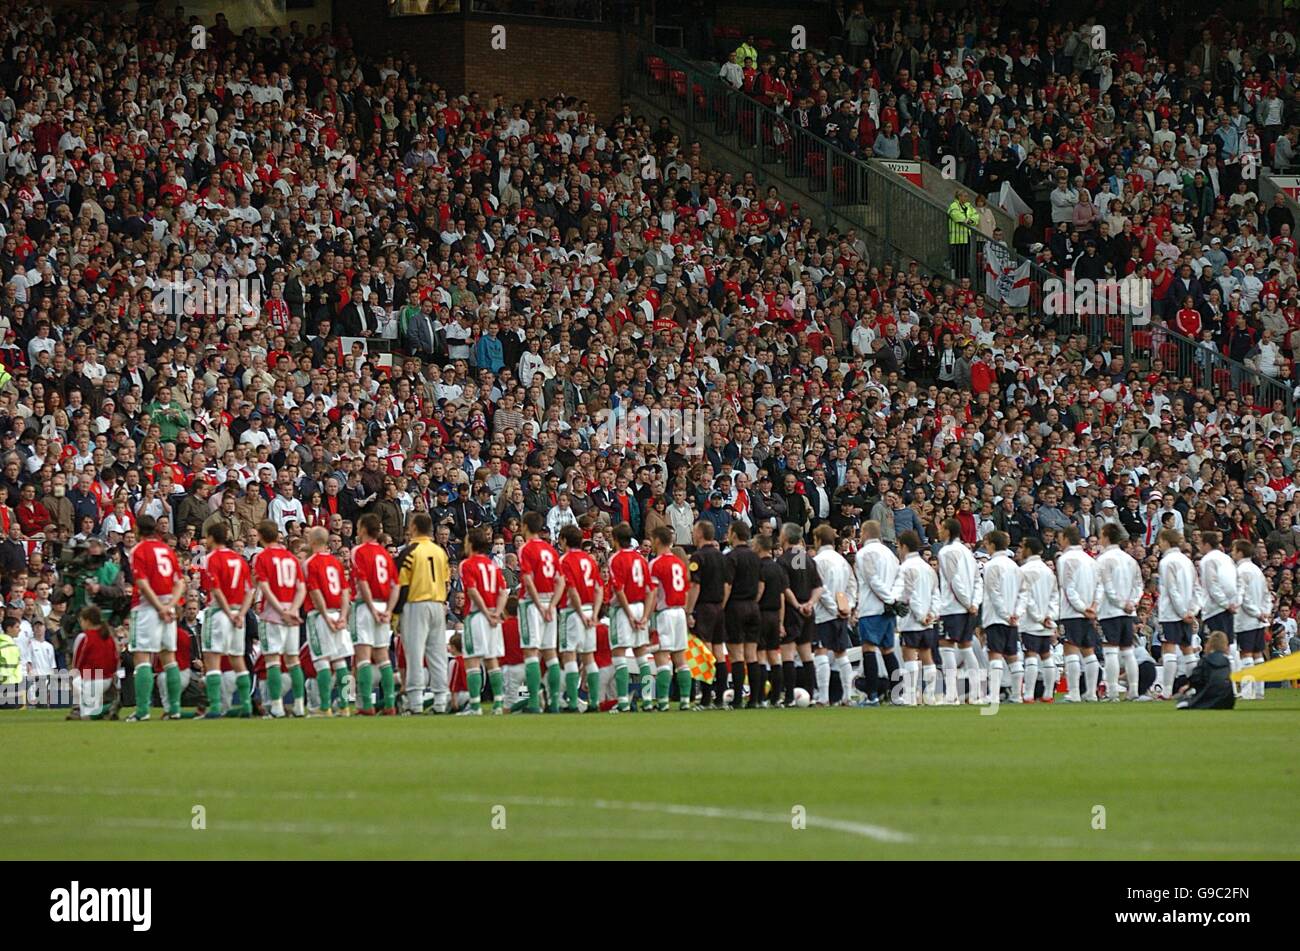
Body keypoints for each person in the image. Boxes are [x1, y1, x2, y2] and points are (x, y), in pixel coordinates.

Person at [126, 514, 186, 722]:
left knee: (142, 657)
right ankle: (175, 708)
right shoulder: (167, 550)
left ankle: (143, 711)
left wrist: (160, 607)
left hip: (147, 608)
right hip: (168, 606)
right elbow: (180, 582)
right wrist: (170, 606)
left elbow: (142, 583)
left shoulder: (138, 550)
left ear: (137, 529)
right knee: (168, 657)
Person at [395, 512, 451, 714]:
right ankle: (440, 701)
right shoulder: (440, 552)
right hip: (438, 603)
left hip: (416, 603)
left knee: (415, 654)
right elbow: (446, 580)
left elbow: (401, 585)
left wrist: (395, 614)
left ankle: (416, 702)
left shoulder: (410, 552)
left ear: (415, 528)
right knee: (437, 655)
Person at [253, 520, 308, 718]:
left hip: (273, 615)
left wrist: (280, 611)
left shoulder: (262, 557)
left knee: (273, 661)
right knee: (293, 661)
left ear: (260, 536)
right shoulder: (291, 558)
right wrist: (292, 609)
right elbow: (302, 588)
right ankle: (300, 705)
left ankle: (276, 706)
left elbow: (265, 587)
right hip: (292, 614)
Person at [200, 522, 255, 719]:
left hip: (219, 613)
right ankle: (246, 705)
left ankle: (215, 707)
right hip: (238, 613)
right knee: (237, 659)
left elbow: (215, 589)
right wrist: (240, 613)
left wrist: (229, 613)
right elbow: (250, 590)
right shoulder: (239, 559)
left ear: (212, 538)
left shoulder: (210, 559)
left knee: (212, 659)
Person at [351, 513, 400, 716]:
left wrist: (371, 608)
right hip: (384, 606)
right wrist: (388, 610)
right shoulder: (384, 554)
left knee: (362, 656)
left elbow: (362, 582)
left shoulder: (358, 551)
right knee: (382, 656)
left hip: (365, 606)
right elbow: (395, 585)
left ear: (362, 529)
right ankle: (389, 703)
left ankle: (365, 705)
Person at [458, 527, 509, 716]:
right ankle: (497, 703)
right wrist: (496, 613)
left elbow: (472, 591)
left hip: (477, 616)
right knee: (491, 659)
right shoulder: (492, 566)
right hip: (493, 617)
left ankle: (475, 705)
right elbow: (503, 592)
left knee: (472, 660)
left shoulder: (466, 564)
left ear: (470, 543)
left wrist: (487, 614)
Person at [517, 511, 564, 713]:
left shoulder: (525, 548)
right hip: (550, 603)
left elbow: (527, 580)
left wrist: (539, 605)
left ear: (525, 526)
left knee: (531, 651)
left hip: (532, 603)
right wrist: (552, 605)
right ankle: (554, 702)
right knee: (551, 653)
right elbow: (560, 580)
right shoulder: (551, 550)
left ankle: (534, 702)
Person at [305, 525, 353, 717]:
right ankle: (344, 705)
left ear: (313, 541)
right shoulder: (335, 562)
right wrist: (343, 616)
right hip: (338, 614)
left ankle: (325, 707)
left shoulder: (311, 563)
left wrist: (325, 617)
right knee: (340, 661)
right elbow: (344, 591)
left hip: (320, 616)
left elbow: (315, 592)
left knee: (322, 661)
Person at [607, 522, 655, 713]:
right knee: (642, 655)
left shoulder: (615, 559)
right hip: (641, 607)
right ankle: (648, 700)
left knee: (619, 654)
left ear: (615, 539)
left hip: (624, 610)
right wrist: (644, 616)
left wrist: (629, 616)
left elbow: (618, 590)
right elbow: (650, 589)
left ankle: (623, 703)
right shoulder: (641, 559)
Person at [936, 516, 983, 704]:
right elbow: (978, 579)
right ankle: (975, 694)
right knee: (966, 647)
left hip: (952, 607)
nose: (938, 531)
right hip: (968, 607)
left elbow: (953, 581)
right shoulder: (966, 550)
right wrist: (975, 603)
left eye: (941, 528)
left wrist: (967, 603)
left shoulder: (946, 552)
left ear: (948, 531)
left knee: (946, 647)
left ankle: (951, 695)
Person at [890, 530, 940, 706]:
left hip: (913, 620)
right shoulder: (927, 567)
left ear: (903, 546)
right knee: (927, 656)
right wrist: (932, 614)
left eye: (898, 546)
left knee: (910, 656)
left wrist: (921, 616)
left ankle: (911, 696)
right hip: (928, 620)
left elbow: (910, 594)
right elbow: (935, 593)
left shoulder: (905, 567)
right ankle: (930, 695)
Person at [557, 523, 603, 713]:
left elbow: (572, 589)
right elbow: (599, 588)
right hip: (590, 610)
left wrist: (579, 613)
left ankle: (573, 702)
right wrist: (594, 613)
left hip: (572, 612)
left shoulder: (565, 560)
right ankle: (594, 701)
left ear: (564, 540)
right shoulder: (589, 560)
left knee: (569, 655)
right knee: (589, 656)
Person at [854, 520, 900, 706]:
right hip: (888, 609)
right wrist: (894, 600)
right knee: (888, 650)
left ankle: (872, 695)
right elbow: (899, 578)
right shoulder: (890, 554)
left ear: (864, 532)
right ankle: (898, 693)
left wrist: (888, 599)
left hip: (872, 607)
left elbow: (872, 580)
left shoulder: (864, 553)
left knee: (869, 648)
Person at [648, 527, 694, 712]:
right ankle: (684, 700)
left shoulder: (656, 564)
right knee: (680, 659)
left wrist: (647, 616)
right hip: (679, 613)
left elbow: (653, 593)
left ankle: (663, 702)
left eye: (652, 539)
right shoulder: (679, 563)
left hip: (664, 613)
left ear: (658, 540)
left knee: (662, 659)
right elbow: (686, 589)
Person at [1095, 523, 1143, 700]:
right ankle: (1134, 690)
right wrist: (1132, 603)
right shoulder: (1130, 559)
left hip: (1110, 611)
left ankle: (1113, 691)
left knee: (1111, 651)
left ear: (1106, 536)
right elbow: (1139, 585)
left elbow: (1106, 587)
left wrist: (1122, 604)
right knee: (1128, 651)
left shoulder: (1103, 560)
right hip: (1128, 612)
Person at [811, 524, 856, 706]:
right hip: (842, 613)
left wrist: (833, 609)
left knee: (821, 652)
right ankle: (847, 696)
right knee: (841, 654)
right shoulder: (842, 560)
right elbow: (852, 586)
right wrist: (848, 606)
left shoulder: (818, 560)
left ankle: (823, 697)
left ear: (818, 540)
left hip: (825, 614)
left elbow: (821, 589)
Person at [1055, 525, 1100, 702]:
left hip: (1072, 612)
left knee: (1071, 650)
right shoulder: (1090, 559)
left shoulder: (1065, 559)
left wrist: (1082, 608)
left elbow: (1068, 588)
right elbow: (1099, 586)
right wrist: (1093, 607)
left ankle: (1073, 693)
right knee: (1089, 651)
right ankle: (1092, 693)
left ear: (1065, 538)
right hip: (1089, 610)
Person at [687, 520, 728, 708]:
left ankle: (705, 698)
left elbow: (695, 585)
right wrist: (722, 604)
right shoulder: (721, 556)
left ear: (701, 534)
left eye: (695, 531)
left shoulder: (697, 557)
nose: (693, 534)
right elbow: (728, 585)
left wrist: (688, 611)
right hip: (719, 607)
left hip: (704, 607)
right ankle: (719, 697)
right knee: (719, 652)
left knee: (706, 652)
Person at [1155, 529, 1201, 701]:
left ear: (1166, 541)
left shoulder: (1166, 562)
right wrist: (1193, 610)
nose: (1159, 544)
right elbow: (1197, 587)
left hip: (1172, 612)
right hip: (1188, 611)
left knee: (1169, 649)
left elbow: (1172, 590)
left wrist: (1182, 612)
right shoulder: (1187, 561)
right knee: (1187, 650)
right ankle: (1193, 688)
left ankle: (1166, 691)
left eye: (1160, 541)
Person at [722, 520, 763, 708]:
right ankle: (754, 698)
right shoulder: (756, 557)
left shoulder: (731, 557)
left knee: (737, 654)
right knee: (752, 654)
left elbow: (727, 585)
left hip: (736, 607)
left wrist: (721, 607)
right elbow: (762, 584)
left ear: (734, 534)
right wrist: (754, 600)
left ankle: (738, 698)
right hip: (753, 607)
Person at [980, 531, 1022, 708]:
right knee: (1012, 655)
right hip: (1012, 617)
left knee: (995, 654)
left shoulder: (991, 565)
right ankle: (1017, 694)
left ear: (991, 544)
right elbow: (1022, 592)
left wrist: (1005, 614)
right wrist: (1016, 613)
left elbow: (993, 593)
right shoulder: (1014, 566)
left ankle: (995, 695)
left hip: (997, 616)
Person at [1017, 537, 1060, 703]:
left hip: (1031, 620)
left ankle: (1028, 694)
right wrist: (1050, 615)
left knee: (1031, 656)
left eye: (1023, 547)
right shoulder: (1048, 571)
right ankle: (1048, 694)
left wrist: (1039, 617)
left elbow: (1025, 597)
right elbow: (1055, 595)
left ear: (1028, 549)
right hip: (1047, 620)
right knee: (1046, 655)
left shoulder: (1024, 570)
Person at [1230, 539, 1272, 701]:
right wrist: (1265, 612)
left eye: (1234, 550)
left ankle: (1248, 692)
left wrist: (1257, 613)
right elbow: (1266, 594)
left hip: (1246, 619)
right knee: (1258, 654)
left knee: (1246, 654)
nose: (1232, 553)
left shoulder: (1240, 571)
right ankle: (1259, 691)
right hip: (1259, 618)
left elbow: (1244, 597)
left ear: (1240, 552)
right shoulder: (1257, 570)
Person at [753, 534, 788, 708]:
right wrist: (781, 622)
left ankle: (760, 697)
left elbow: (760, 590)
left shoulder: (759, 567)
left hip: (761, 614)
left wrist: (753, 604)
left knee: (760, 656)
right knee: (774, 656)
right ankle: (776, 697)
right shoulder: (778, 568)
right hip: (775, 616)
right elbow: (782, 597)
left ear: (759, 547)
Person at [1197, 531, 1238, 677]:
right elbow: (1234, 582)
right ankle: (1233, 680)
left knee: (1220, 645)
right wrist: (1233, 603)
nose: (1199, 547)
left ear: (1206, 544)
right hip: (1229, 606)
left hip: (1216, 608)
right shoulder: (1227, 558)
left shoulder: (1208, 560)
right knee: (1230, 643)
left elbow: (1211, 585)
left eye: (1200, 543)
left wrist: (1225, 604)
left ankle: (1226, 680)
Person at [73, 605, 118, 720]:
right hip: (107, 679)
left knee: (86, 716)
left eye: (82, 621)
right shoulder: (109, 636)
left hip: (90, 678)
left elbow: (77, 662)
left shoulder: (84, 637)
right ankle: (104, 709)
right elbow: (115, 658)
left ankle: (107, 707)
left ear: (87, 621)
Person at [1176, 631, 1235, 710]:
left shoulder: (1205, 660)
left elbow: (1196, 678)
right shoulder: (1227, 661)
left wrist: (1188, 687)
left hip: (1208, 699)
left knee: (1182, 702)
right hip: (1227, 701)